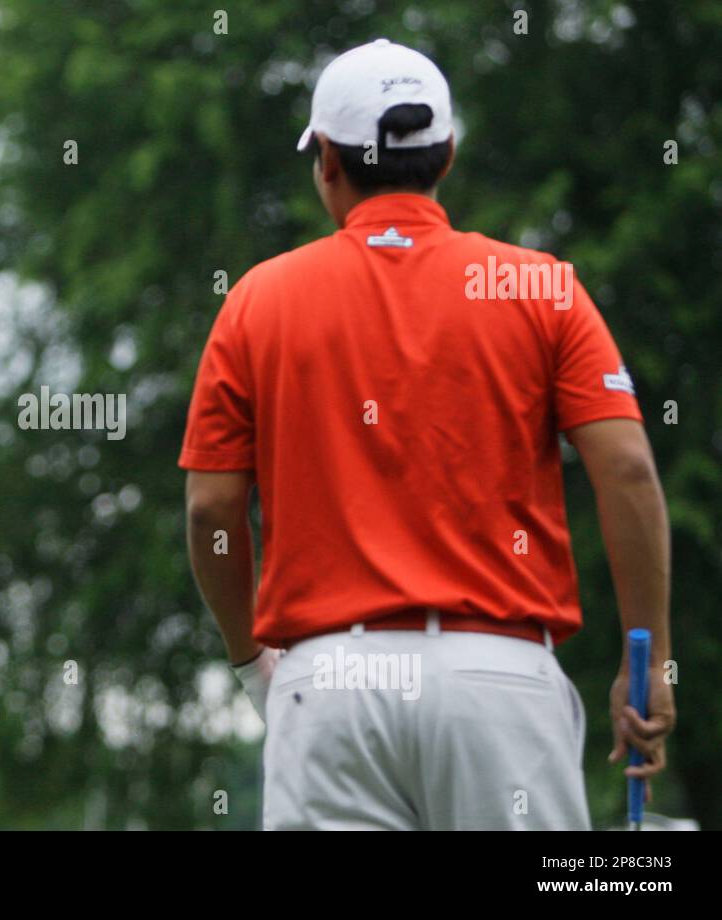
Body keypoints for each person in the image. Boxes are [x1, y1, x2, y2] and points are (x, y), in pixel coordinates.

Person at [179, 39, 673, 830]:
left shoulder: (257, 300)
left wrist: (251, 666)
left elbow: (211, 513)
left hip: (328, 687)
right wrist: (647, 662)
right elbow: (628, 474)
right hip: (501, 683)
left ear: (328, 161)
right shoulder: (540, 286)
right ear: (446, 155)